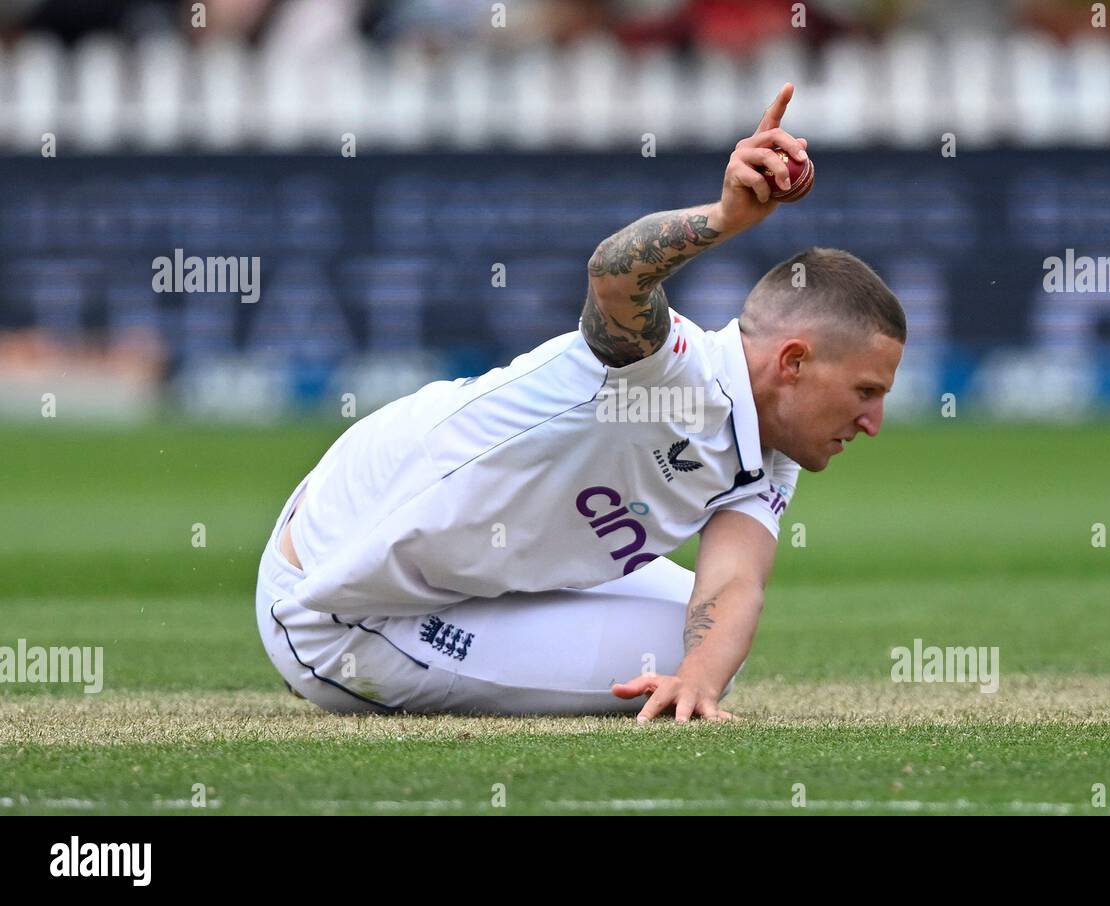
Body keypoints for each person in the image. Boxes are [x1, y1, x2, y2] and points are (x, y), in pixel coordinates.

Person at [254, 83, 906, 722]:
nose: (873, 423)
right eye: (866, 392)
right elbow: (614, 272)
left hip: (417, 557)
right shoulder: (669, 368)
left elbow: (734, 583)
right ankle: (339, 672)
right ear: (792, 362)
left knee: (699, 655)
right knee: (669, 654)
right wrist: (725, 218)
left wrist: (697, 684)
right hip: (329, 607)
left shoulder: (767, 448)